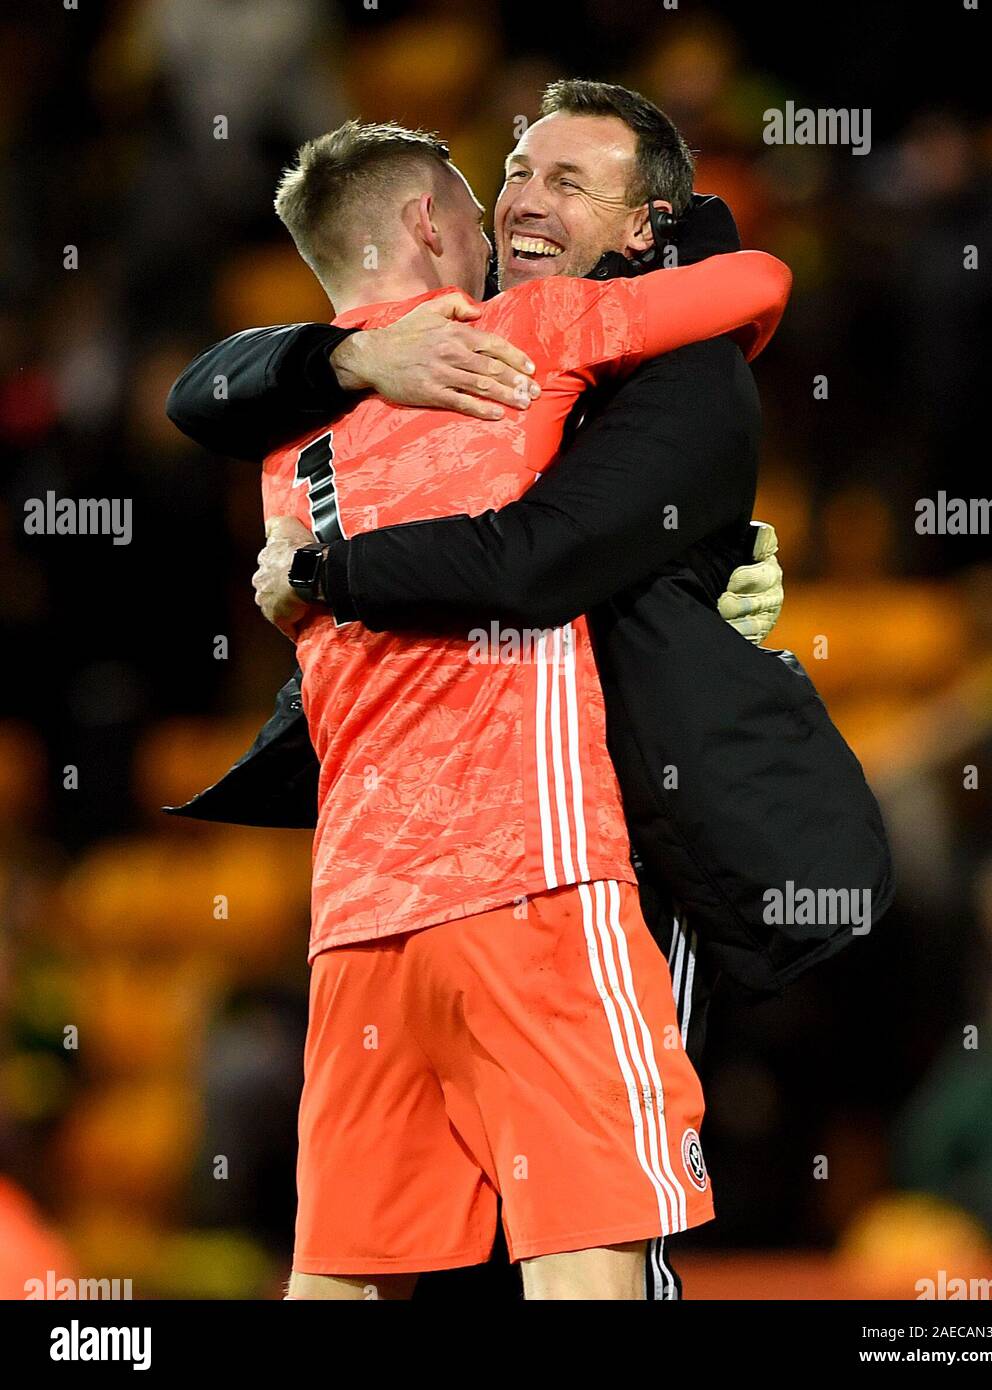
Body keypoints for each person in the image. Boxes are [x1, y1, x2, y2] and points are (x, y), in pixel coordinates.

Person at [167, 80, 790, 1299]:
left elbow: (204, 388)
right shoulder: (523, 335)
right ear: (428, 227)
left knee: (341, 1282)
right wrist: (678, 235)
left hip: (357, 917)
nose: (504, 208)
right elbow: (757, 285)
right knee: (586, 1261)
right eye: (488, 189)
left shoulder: (288, 456)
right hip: (534, 880)